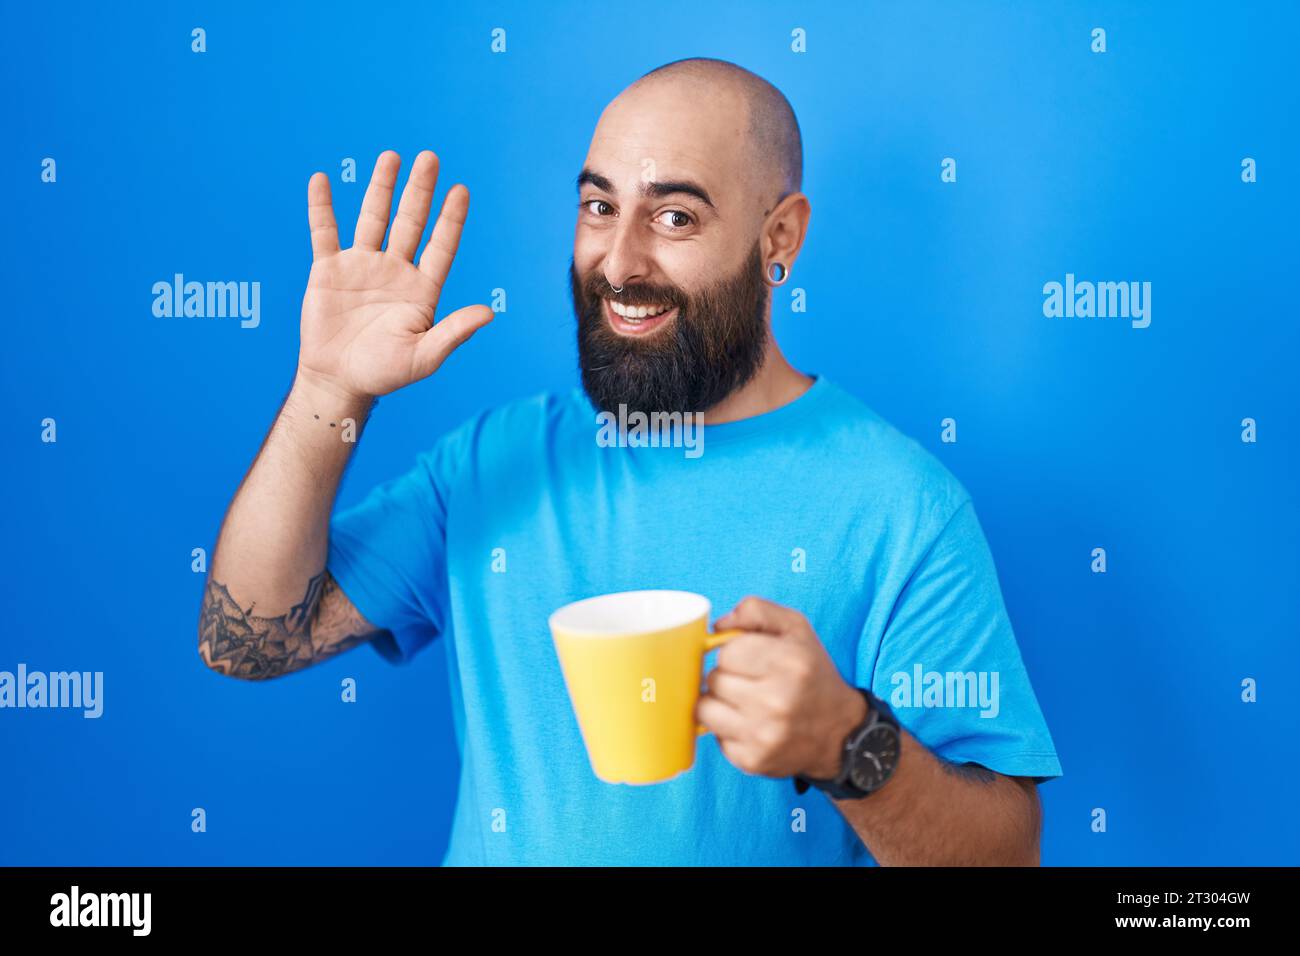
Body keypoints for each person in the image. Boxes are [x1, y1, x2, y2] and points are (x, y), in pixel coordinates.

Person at [199, 57, 1062, 866]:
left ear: (780, 239)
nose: (618, 263)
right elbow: (247, 644)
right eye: (599, 207)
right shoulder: (492, 462)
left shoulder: (903, 506)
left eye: (675, 216)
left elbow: (1006, 853)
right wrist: (327, 392)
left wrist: (849, 745)